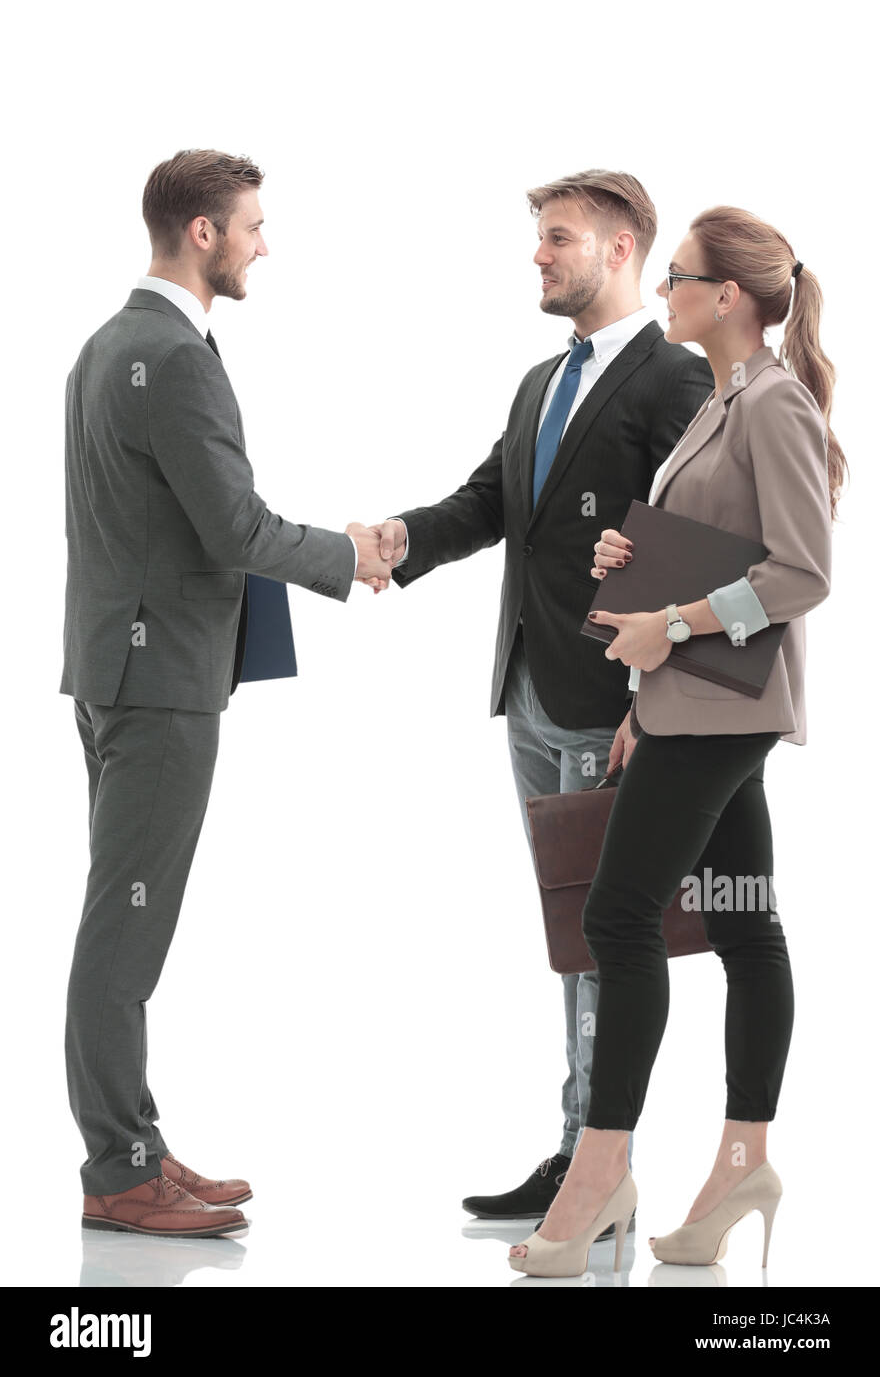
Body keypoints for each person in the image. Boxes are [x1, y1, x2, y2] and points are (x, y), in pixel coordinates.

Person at [349, 170, 713, 1220]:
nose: (539, 257)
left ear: (620, 247)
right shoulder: (537, 385)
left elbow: (694, 543)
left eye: (556, 239)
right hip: (530, 693)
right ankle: (580, 1155)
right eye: (539, 241)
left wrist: (657, 698)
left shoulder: (671, 380)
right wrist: (393, 543)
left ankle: (598, 1167)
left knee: (612, 934)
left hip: (613, 704)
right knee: (574, 937)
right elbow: (488, 504)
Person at [509, 206, 844, 1276]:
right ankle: (742, 1163)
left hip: (722, 705)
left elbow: (802, 572)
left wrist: (677, 623)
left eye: (680, 279)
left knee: (617, 913)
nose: (663, 294)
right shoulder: (724, 400)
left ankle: (599, 1170)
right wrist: (632, 551)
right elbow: (716, 540)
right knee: (745, 922)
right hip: (686, 704)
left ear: (728, 297)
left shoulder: (774, 403)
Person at [61, 149, 390, 1236]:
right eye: (252, 223)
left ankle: (137, 1145)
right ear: (201, 232)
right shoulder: (171, 354)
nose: (262, 241)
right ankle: (118, 1167)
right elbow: (235, 528)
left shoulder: (108, 346)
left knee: (128, 913)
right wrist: (349, 552)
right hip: (158, 685)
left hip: (120, 668)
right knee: (127, 925)